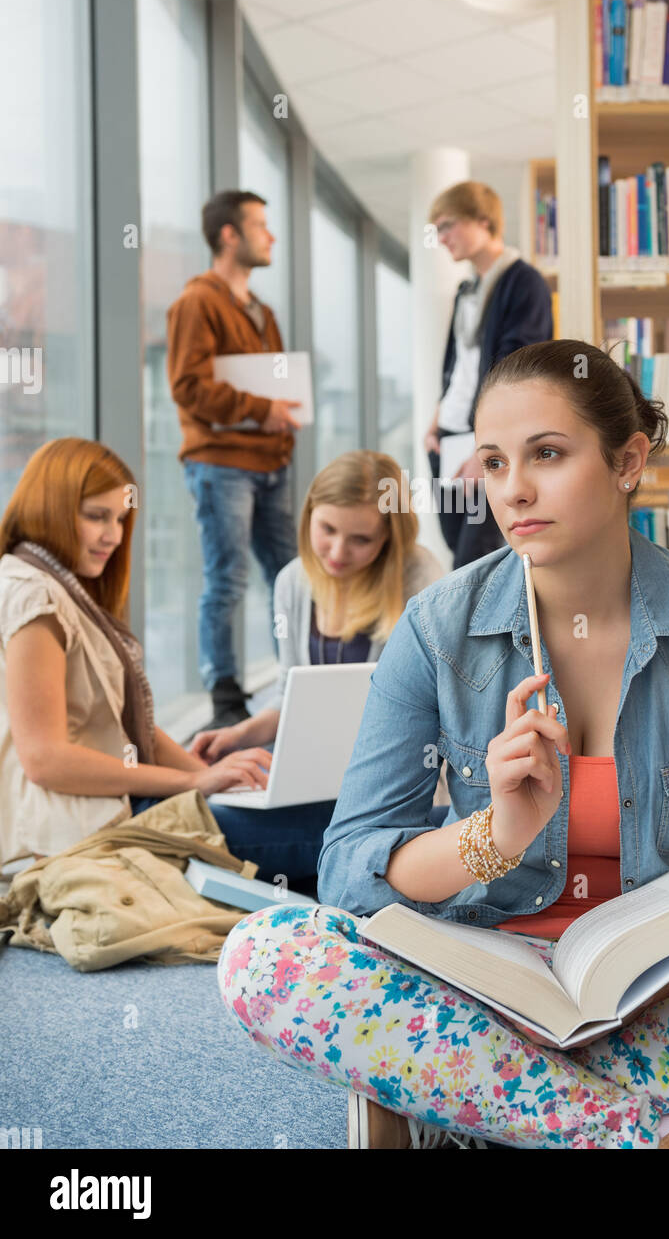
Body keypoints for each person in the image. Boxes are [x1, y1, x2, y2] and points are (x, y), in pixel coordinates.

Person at [218, 340, 669, 1150]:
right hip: (469, 982)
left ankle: (458, 1097)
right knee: (267, 957)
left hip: (652, 1006)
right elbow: (350, 872)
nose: (513, 489)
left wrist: (632, 996)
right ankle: (662, 1137)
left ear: (627, 460)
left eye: (547, 455)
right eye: (492, 463)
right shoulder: (436, 628)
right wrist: (494, 837)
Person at [0, 437, 310, 887]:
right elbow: (45, 760)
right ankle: (447, 849)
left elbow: (131, 728)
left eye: (121, 519)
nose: (113, 535)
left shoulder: (56, 585)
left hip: (115, 801)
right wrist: (194, 784)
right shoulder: (34, 595)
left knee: (317, 819)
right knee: (325, 830)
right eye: (96, 516)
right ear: (51, 506)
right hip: (85, 823)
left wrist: (213, 776)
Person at [191, 447, 446, 776]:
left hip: (394, 770)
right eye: (327, 529)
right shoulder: (291, 582)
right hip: (317, 767)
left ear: (389, 537)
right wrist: (238, 735)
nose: (338, 552)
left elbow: (433, 707)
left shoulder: (420, 579)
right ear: (309, 513)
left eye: (361, 539)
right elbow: (290, 699)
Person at [166, 189, 303, 729]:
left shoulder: (262, 312)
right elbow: (187, 386)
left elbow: (274, 383)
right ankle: (225, 699)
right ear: (230, 235)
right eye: (260, 225)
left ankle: (293, 680)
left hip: (272, 462)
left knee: (289, 576)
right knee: (227, 578)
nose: (270, 236)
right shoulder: (196, 303)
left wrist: (280, 412)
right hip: (222, 462)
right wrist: (260, 408)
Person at [423, 181, 552, 569]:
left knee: (476, 559)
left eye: (448, 226)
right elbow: (457, 367)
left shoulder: (523, 283)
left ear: (483, 221)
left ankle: (478, 633)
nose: (442, 238)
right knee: (454, 548)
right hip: (446, 437)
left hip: (481, 440)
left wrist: (488, 450)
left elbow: (514, 376)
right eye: (437, 230)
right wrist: (433, 423)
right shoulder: (468, 289)